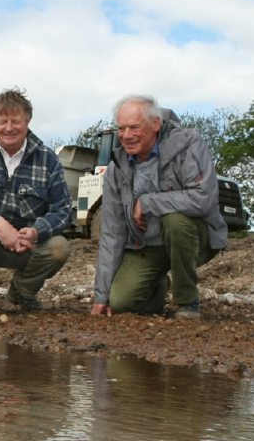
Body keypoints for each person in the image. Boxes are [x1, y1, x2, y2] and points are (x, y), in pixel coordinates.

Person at [90, 94, 228, 320]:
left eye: (134, 127)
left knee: (174, 221)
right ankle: (157, 285)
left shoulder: (188, 144)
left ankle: (187, 303)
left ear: (155, 124)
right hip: (146, 245)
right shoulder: (116, 168)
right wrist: (101, 296)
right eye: (121, 128)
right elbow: (112, 233)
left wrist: (148, 202)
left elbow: (204, 199)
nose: (126, 136)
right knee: (120, 302)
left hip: (194, 238)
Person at [0, 87, 73, 315]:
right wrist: (0, 226)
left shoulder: (48, 159)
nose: (9, 128)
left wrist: (36, 231)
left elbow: (63, 210)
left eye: (16, 121)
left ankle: (22, 292)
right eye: (3, 121)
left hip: (27, 243)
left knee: (60, 247)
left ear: (27, 121)